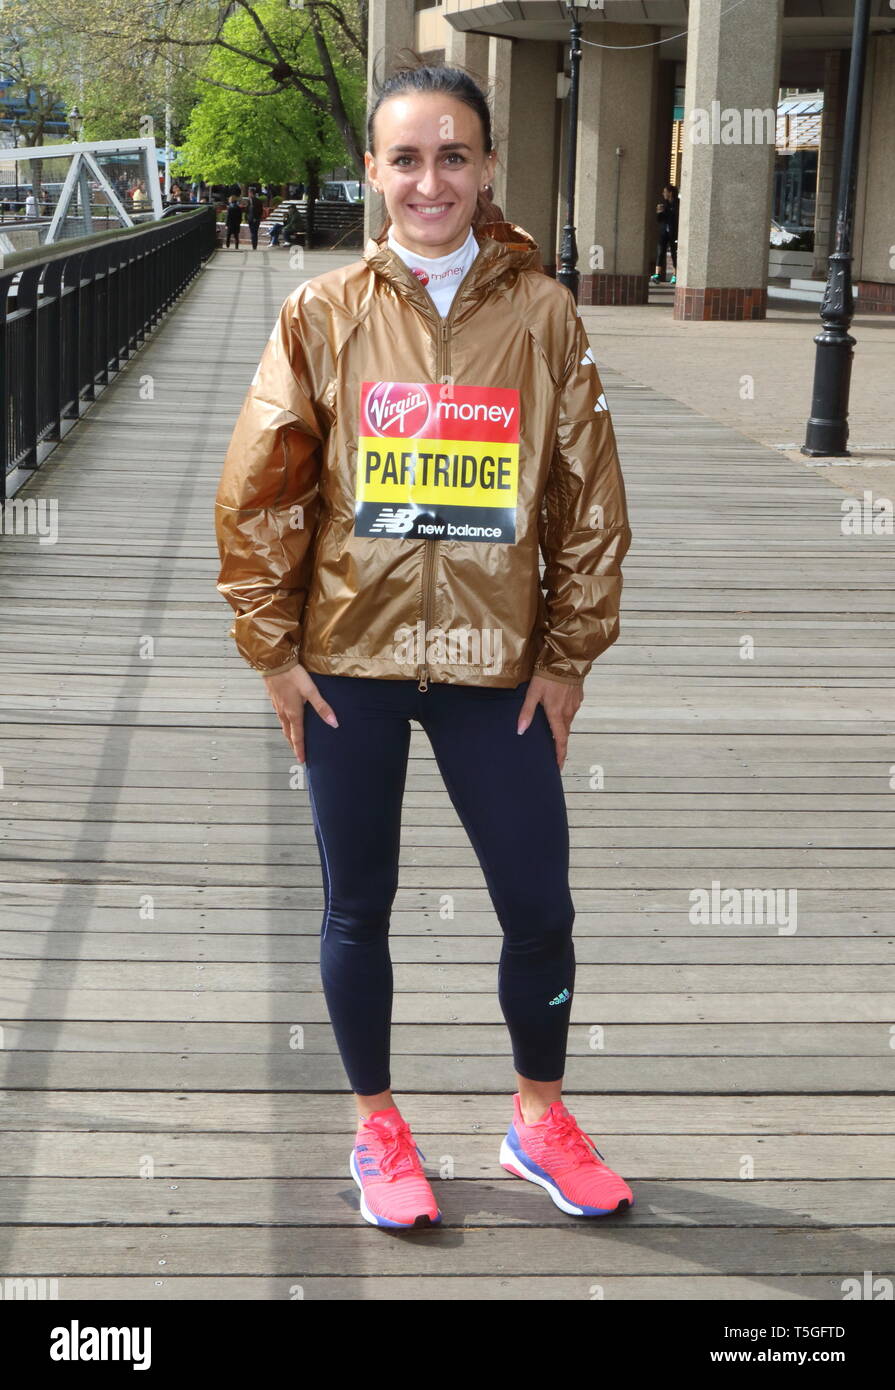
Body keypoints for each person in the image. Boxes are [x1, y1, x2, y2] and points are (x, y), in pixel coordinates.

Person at [215, 63, 633, 1231]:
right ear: (373, 174)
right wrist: (273, 649)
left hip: (494, 665)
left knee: (538, 904)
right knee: (359, 904)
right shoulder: (322, 313)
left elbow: (585, 496)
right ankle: (377, 1126)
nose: (430, 179)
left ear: (489, 167)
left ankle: (536, 1117)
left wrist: (568, 652)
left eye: (454, 156)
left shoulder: (544, 314)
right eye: (406, 158)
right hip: (348, 658)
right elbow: (259, 491)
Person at [650, 183, 679, 285]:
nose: (663, 194)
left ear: (670, 193)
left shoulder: (678, 204)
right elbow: (660, 220)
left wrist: (667, 213)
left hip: (674, 232)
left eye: (665, 192)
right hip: (664, 232)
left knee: (674, 254)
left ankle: (675, 275)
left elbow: (675, 218)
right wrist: (659, 212)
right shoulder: (664, 204)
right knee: (660, 252)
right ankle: (657, 274)